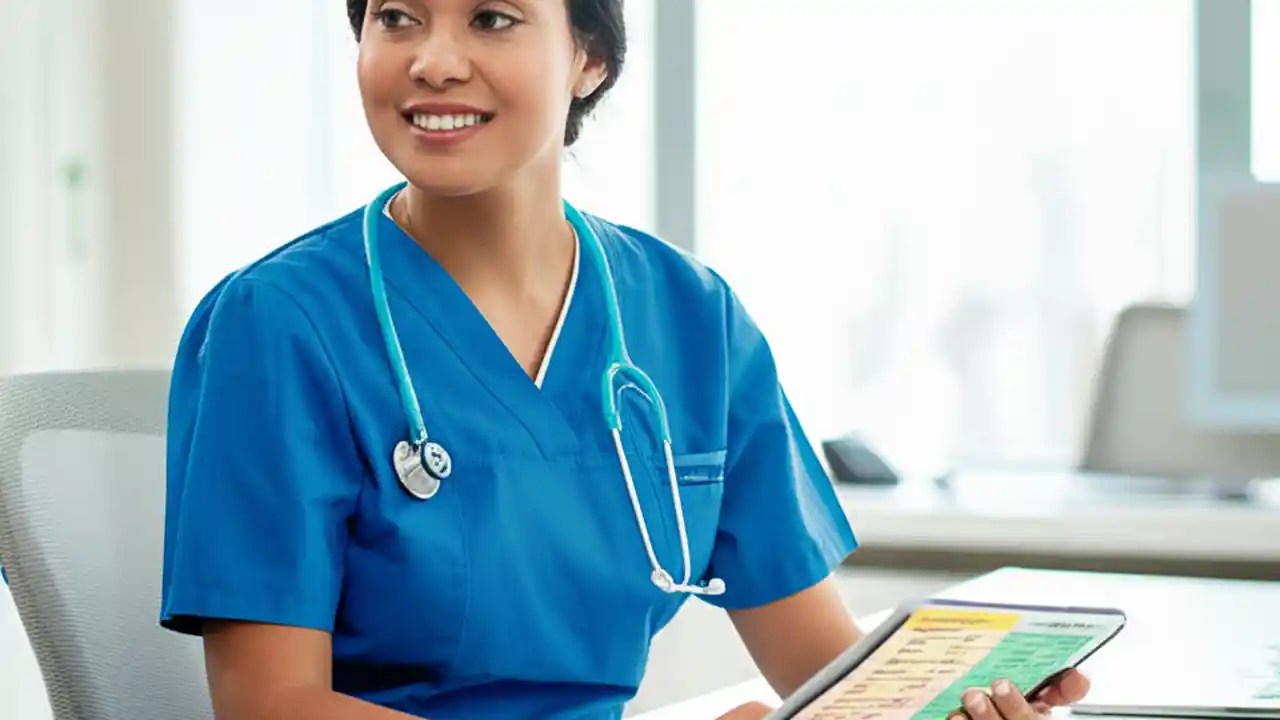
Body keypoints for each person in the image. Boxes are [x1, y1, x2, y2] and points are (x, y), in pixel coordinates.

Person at [158, 1, 1093, 718]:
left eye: (491, 17)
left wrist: (946, 703)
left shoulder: (690, 319)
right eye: (396, 17)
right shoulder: (277, 324)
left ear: (588, 56)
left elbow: (819, 666)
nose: (433, 60)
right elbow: (271, 706)